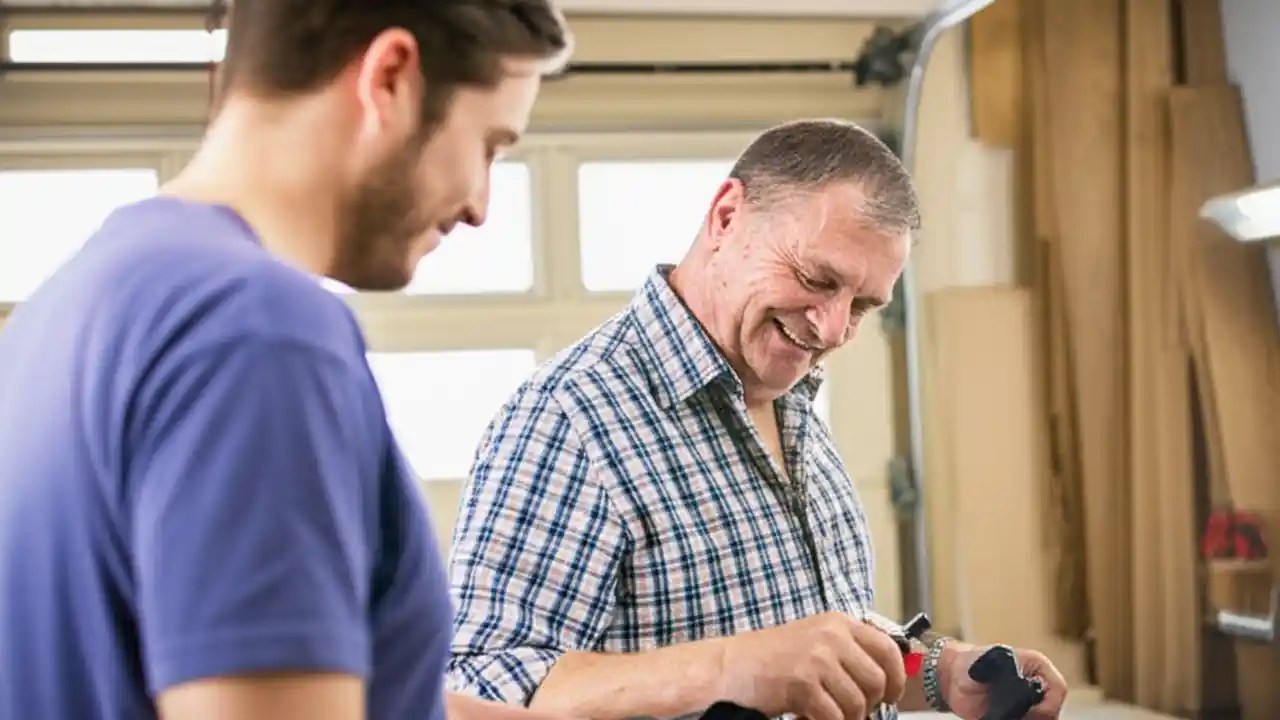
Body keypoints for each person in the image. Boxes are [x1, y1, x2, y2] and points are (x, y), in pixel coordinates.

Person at [0, 2, 573, 720]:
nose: (480, 206)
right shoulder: (256, 332)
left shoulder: (68, 309)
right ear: (390, 78)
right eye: (489, 145)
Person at [445, 118, 1070, 720]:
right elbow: (479, 686)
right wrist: (728, 668)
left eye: (862, 306)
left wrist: (941, 672)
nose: (832, 329)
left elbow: (804, 637)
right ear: (726, 217)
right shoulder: (569, 419)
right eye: (816, 278)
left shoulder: (789, 396)